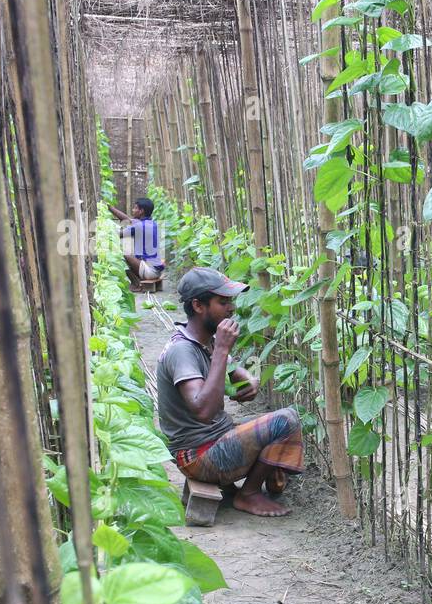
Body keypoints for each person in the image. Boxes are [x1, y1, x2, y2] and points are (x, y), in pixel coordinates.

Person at [155, 268, 303, 518]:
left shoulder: (206, 341)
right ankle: (249, 494)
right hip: (199, 456)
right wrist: (222, 349)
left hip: (215, 442)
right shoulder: (182, 351)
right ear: (198, 306)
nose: (231, 308)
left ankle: (254, 486)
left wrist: (250, 381)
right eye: (223, 302)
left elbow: (239, 374)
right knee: (286, 420)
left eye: (231, 301)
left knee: (277, 427)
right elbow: (203, 411)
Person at [108, 197, 163, 289]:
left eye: (135, 208)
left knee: (120, 254)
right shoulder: (151, 223)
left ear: (141, 211)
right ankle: (138, 280)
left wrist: (105, 228)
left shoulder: (139, 226)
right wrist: (110, 208)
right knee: (130, 253)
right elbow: (127, 220)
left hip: (150, 272)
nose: (133, 210)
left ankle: (136, 284)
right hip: (156, 270)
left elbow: (116, 235)